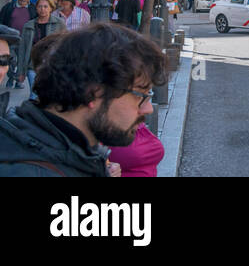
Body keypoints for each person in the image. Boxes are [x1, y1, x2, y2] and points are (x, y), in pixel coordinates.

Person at [0, 22, 166, 176]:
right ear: (93, 93)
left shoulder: (75, 152)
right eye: (140, 95)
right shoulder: (25, 170)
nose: (148, 109)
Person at [15, 0, 63, 85]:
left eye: (45, 6)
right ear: (36, 8)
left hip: (52, 66)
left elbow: (65, 46)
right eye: (40, 6)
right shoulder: (28, 25)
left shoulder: (59, 23)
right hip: (32, 65)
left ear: (51, 8)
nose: (42, 9)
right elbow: (22, 49)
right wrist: (20, 72)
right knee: (34, 92)